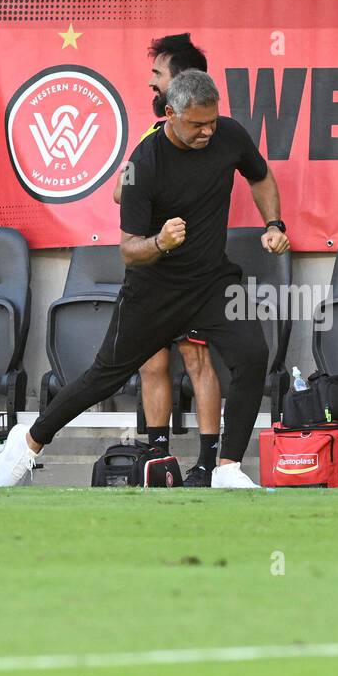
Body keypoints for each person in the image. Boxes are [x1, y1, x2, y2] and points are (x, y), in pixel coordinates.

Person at [0, 70, 288, 488]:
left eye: (212, 121)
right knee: (103, 378)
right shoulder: (142, 165)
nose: (208, 131)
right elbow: (128, 249)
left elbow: (259, 176)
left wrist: (273, 223)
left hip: (211, 282)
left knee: (254, 354)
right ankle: (28, 442)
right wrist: (162, 241)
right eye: (197, 124)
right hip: (154, 289)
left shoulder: (229, 135)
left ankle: (226, 468)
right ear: (170, 114)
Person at [113, 33, 223, 485]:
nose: (151, 83)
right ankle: (159, 454)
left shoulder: (213, 136)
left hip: (193, 272)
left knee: (198, 361)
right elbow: (121, 190)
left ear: (179, 81)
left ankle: (208, 461)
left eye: (158, 74)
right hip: (150, 268)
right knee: (151, 361)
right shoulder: (152, 135)